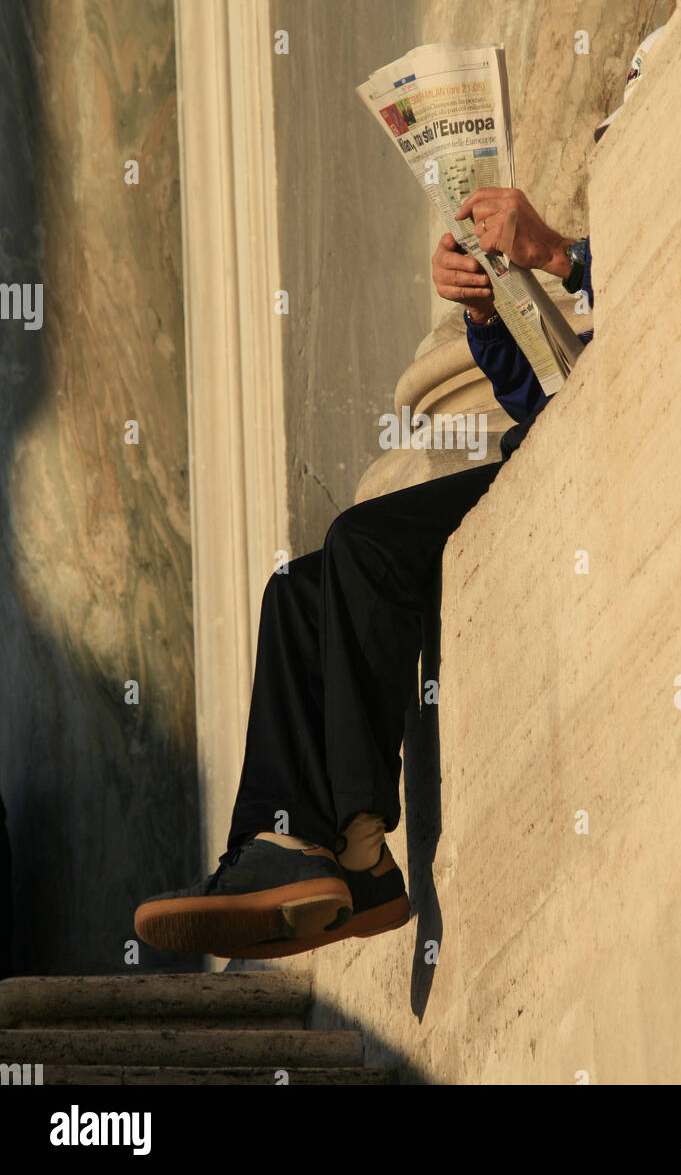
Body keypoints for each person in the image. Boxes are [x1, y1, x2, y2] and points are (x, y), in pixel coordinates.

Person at [134, 188, 593, 961]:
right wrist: (485, 310)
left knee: (361, 542)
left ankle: (359, 845)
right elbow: (537, 394)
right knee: (295, 595)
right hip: (548, 436)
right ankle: (278, 837)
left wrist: (557, 253)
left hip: (567, 452)